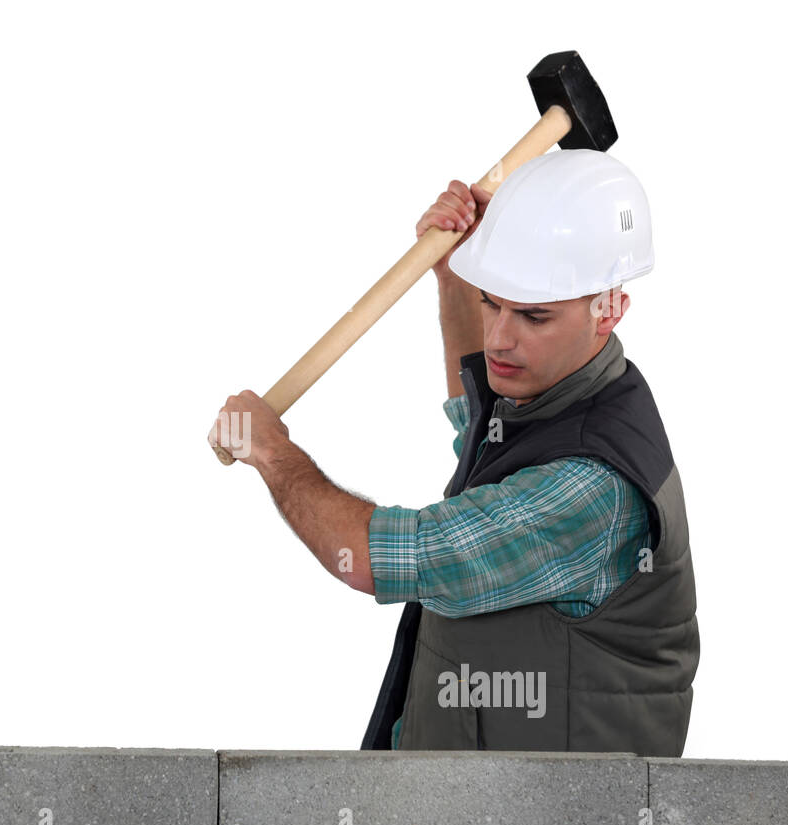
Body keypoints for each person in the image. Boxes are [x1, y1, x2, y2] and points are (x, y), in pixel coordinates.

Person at [209, 149, 699, 756]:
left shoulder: (589, 485)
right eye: (491, 302)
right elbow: (480, 428)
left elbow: (374, 557)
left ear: (610, 310)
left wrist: (272, 452)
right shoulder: (569, 392)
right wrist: (453, 275)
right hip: (478, 807)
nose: (498, 337)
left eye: (533, 316)